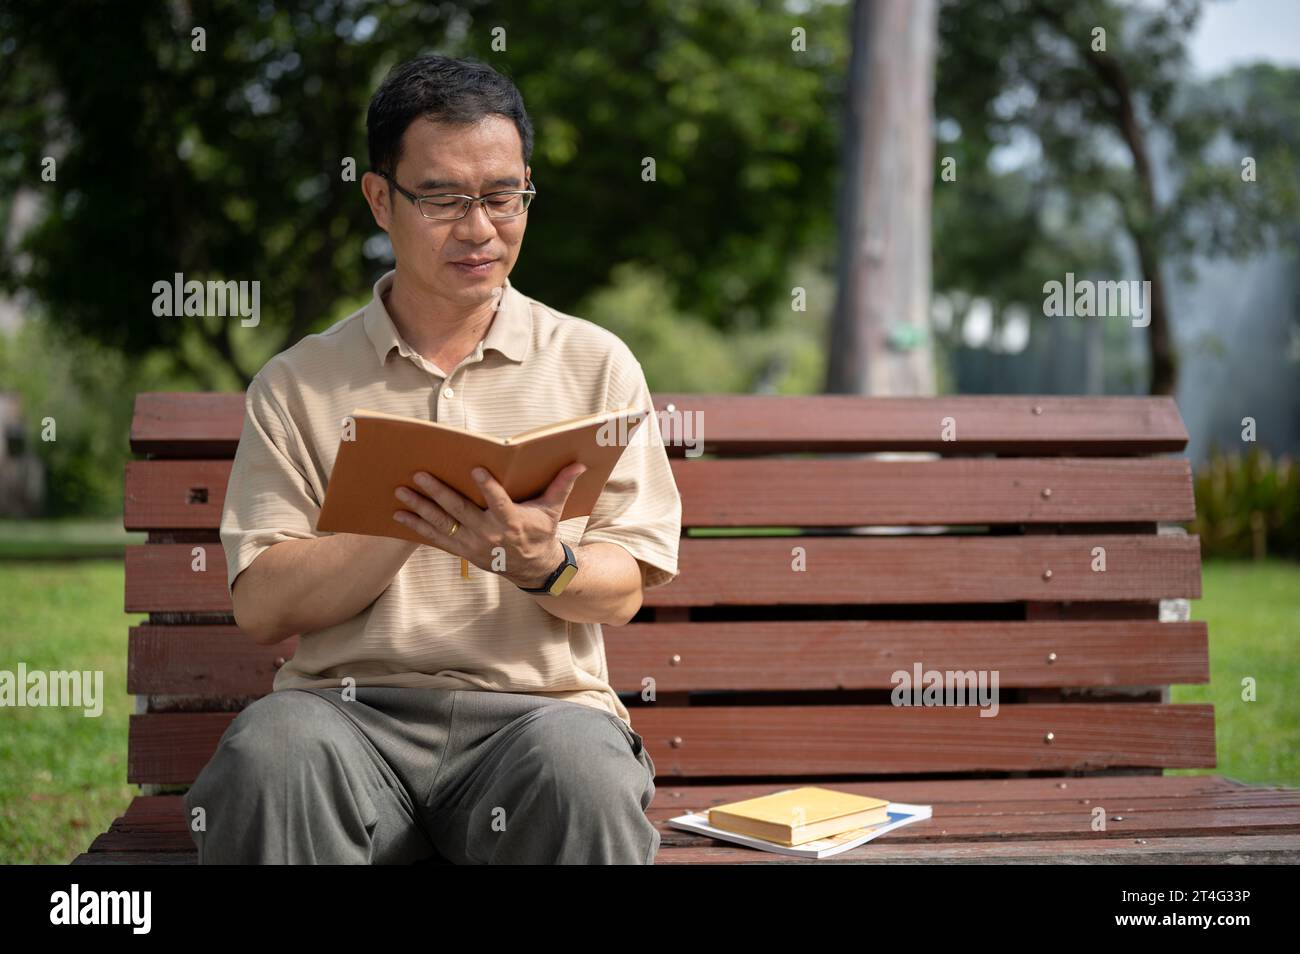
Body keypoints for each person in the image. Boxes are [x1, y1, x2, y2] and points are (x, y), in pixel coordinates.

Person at [183, 54, 682, 865]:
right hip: (344, 720)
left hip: (537, 719)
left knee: (583, 776)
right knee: (273, 755)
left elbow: (624, 586)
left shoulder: (597, 366)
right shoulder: (298, 383)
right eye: (443, 198)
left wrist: (543, 563)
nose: (480, 228)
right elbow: (261, 607)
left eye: (502, 195)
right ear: (381, 198)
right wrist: (409, 521)